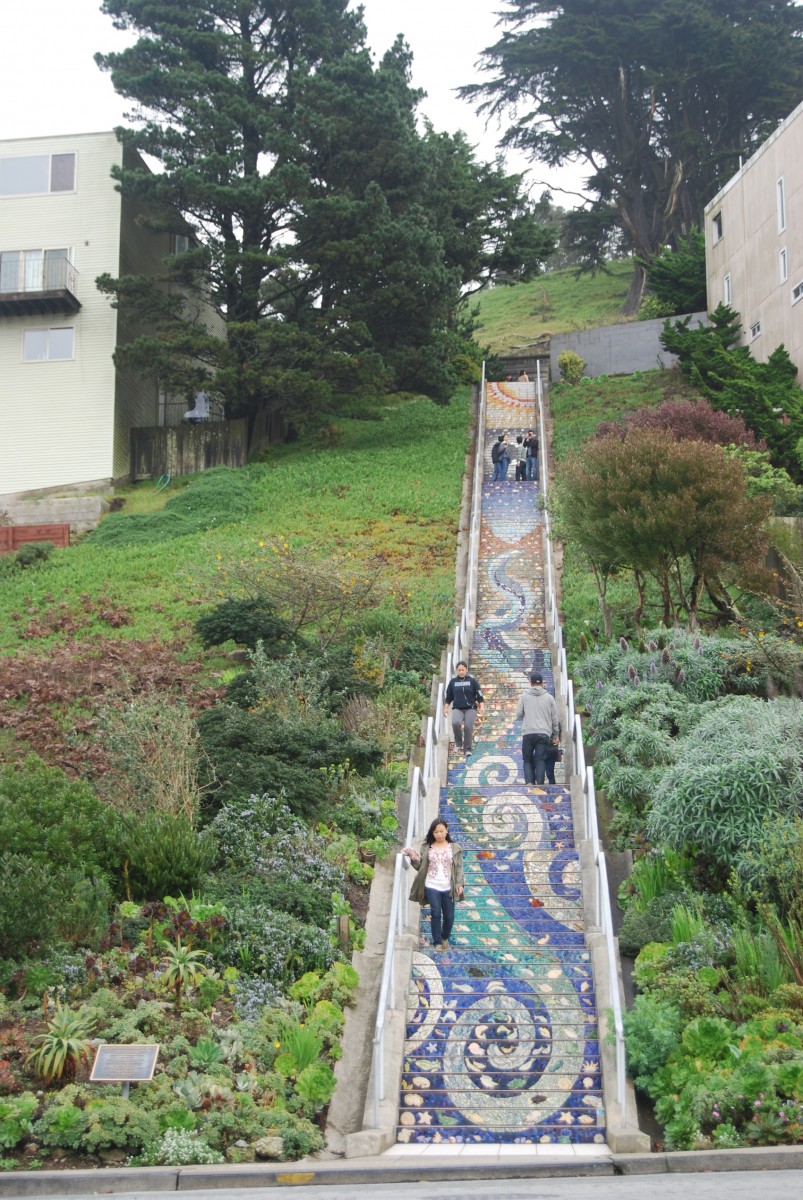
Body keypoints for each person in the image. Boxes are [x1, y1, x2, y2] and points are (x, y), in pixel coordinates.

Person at [404, 818, 464, 950]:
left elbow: (459, 867)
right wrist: (413, 858)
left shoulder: (454, 848)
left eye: (441, 831)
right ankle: (437, 941)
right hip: (431, 885)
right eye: (436, 832)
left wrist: (459, 884)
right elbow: (421, 867)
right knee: (436, 912)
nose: (439, 834)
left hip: (449, 886)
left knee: (449, 917)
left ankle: (444, 937)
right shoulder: (427, 848)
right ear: (432, 833)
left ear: (447, 830)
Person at [515, 671, 560, 785]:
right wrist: (556, 735)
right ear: (542, 683)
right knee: (540, 760)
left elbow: (519, 713)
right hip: (544, 733)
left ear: (531, 683)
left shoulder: (524, 696)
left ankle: (529, 784)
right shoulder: (549, 698)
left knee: (528, 760)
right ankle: (540, 785)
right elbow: (555, 719)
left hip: (528, 733)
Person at [444, 660, 485, 756]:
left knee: (468, 726)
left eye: (463, 670)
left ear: (466, 669)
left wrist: (481, 705)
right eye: (459, 670)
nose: (461, 672)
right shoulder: (453, 682)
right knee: (455, 723)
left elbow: (479, 694)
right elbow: (449, 697)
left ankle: (468, 749)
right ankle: (458, 743)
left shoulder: (472, 681)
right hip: (458, 708)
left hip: (470, 708)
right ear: (457, 671)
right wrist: (446, 708)